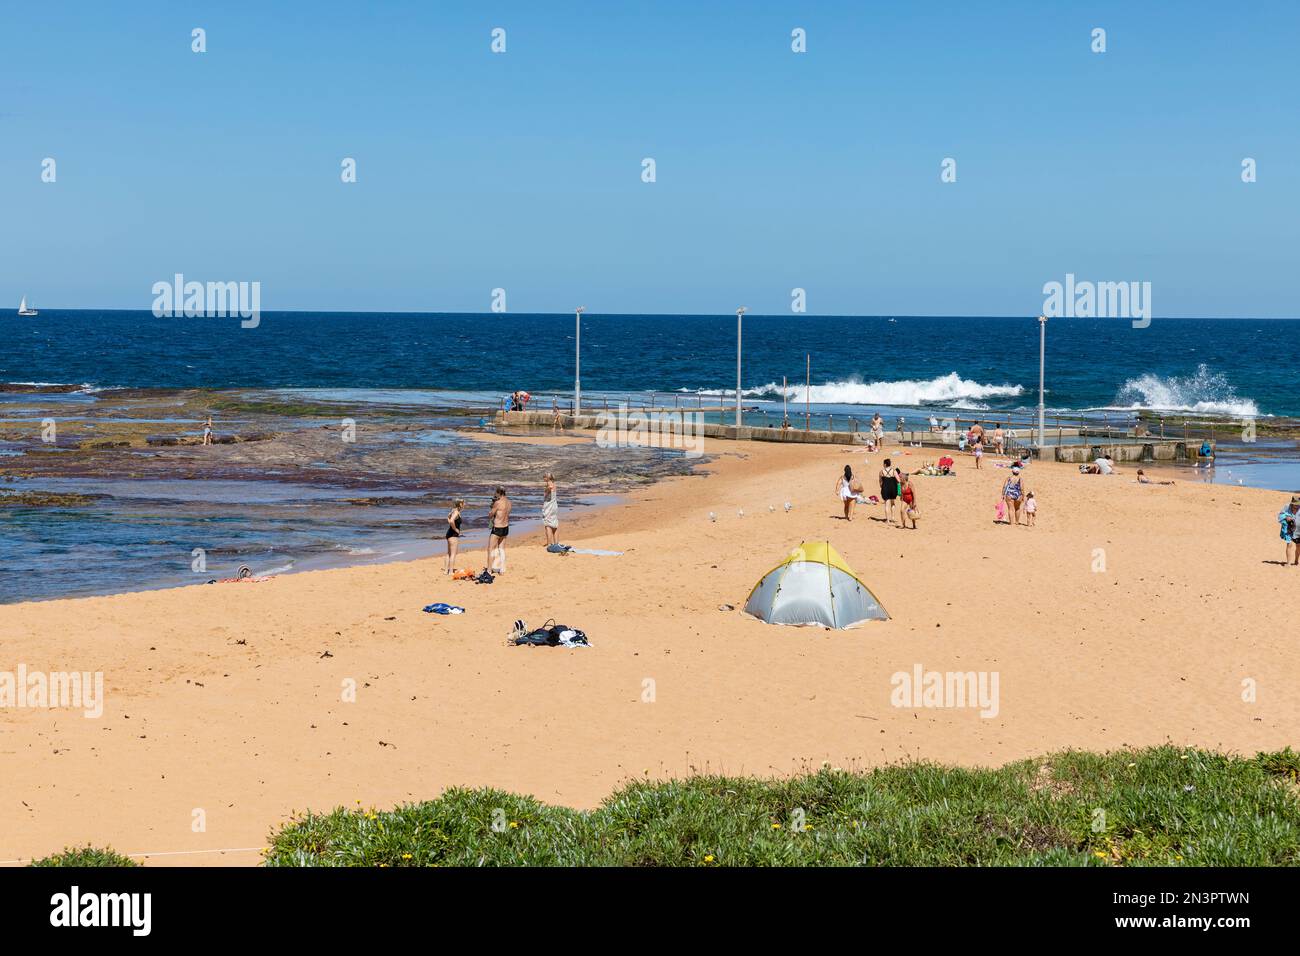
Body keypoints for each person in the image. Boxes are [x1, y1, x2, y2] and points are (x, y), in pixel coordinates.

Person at [487, 487, 511, 573]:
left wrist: (491, 507)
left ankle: (489, 570)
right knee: (501, 548)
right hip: (506, 527)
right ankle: (502, 568)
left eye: (496, 493)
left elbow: (491, 515)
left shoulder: (497, 503)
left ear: (498, 493)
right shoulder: (509, 502)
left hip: (497, 527)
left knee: (491, 549)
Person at [444, 499, 464, 574]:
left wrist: (451, 525)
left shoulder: (453, 511)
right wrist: (456, 529)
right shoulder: (456, 512)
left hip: (449, 534)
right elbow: (451, 521)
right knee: (453, 554)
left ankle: (446, 571)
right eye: (463, 503)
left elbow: (448, 518)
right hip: (453, 535)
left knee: (448, 553)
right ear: (460, 504)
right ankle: (451, 571)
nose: (464, 505)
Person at [1278, 495, 1300, 566]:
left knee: (1298, 546)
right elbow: (1280, 516)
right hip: (1289, 529)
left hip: (1298, 531)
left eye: (1297, 505)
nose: (1296, 507)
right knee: (1289, 545)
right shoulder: (1287, 507)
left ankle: (1296, 560)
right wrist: (1286, 517)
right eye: (1294, 505)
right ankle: (1288, 563)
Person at [542, 473, 559, 546]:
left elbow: (548, 491)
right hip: (554, 506)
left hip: (549, 507)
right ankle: (556, 543)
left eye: (544, 477)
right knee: (554, 525)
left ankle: (549, 544)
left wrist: (546, 489)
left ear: (547, 478)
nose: (543, 478)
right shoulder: (554, 485)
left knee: (548, 525)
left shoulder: (550, 485)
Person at [878, 458, 898, 522]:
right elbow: (898, 480)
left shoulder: (881, 472)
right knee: (893, 503)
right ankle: (893, 517)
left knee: (887, 504)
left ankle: (888, 520)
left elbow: (880, 482)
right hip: (893, 488)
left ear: (885, 464)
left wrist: (882, 487)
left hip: (885, 488)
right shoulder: (894, 471)